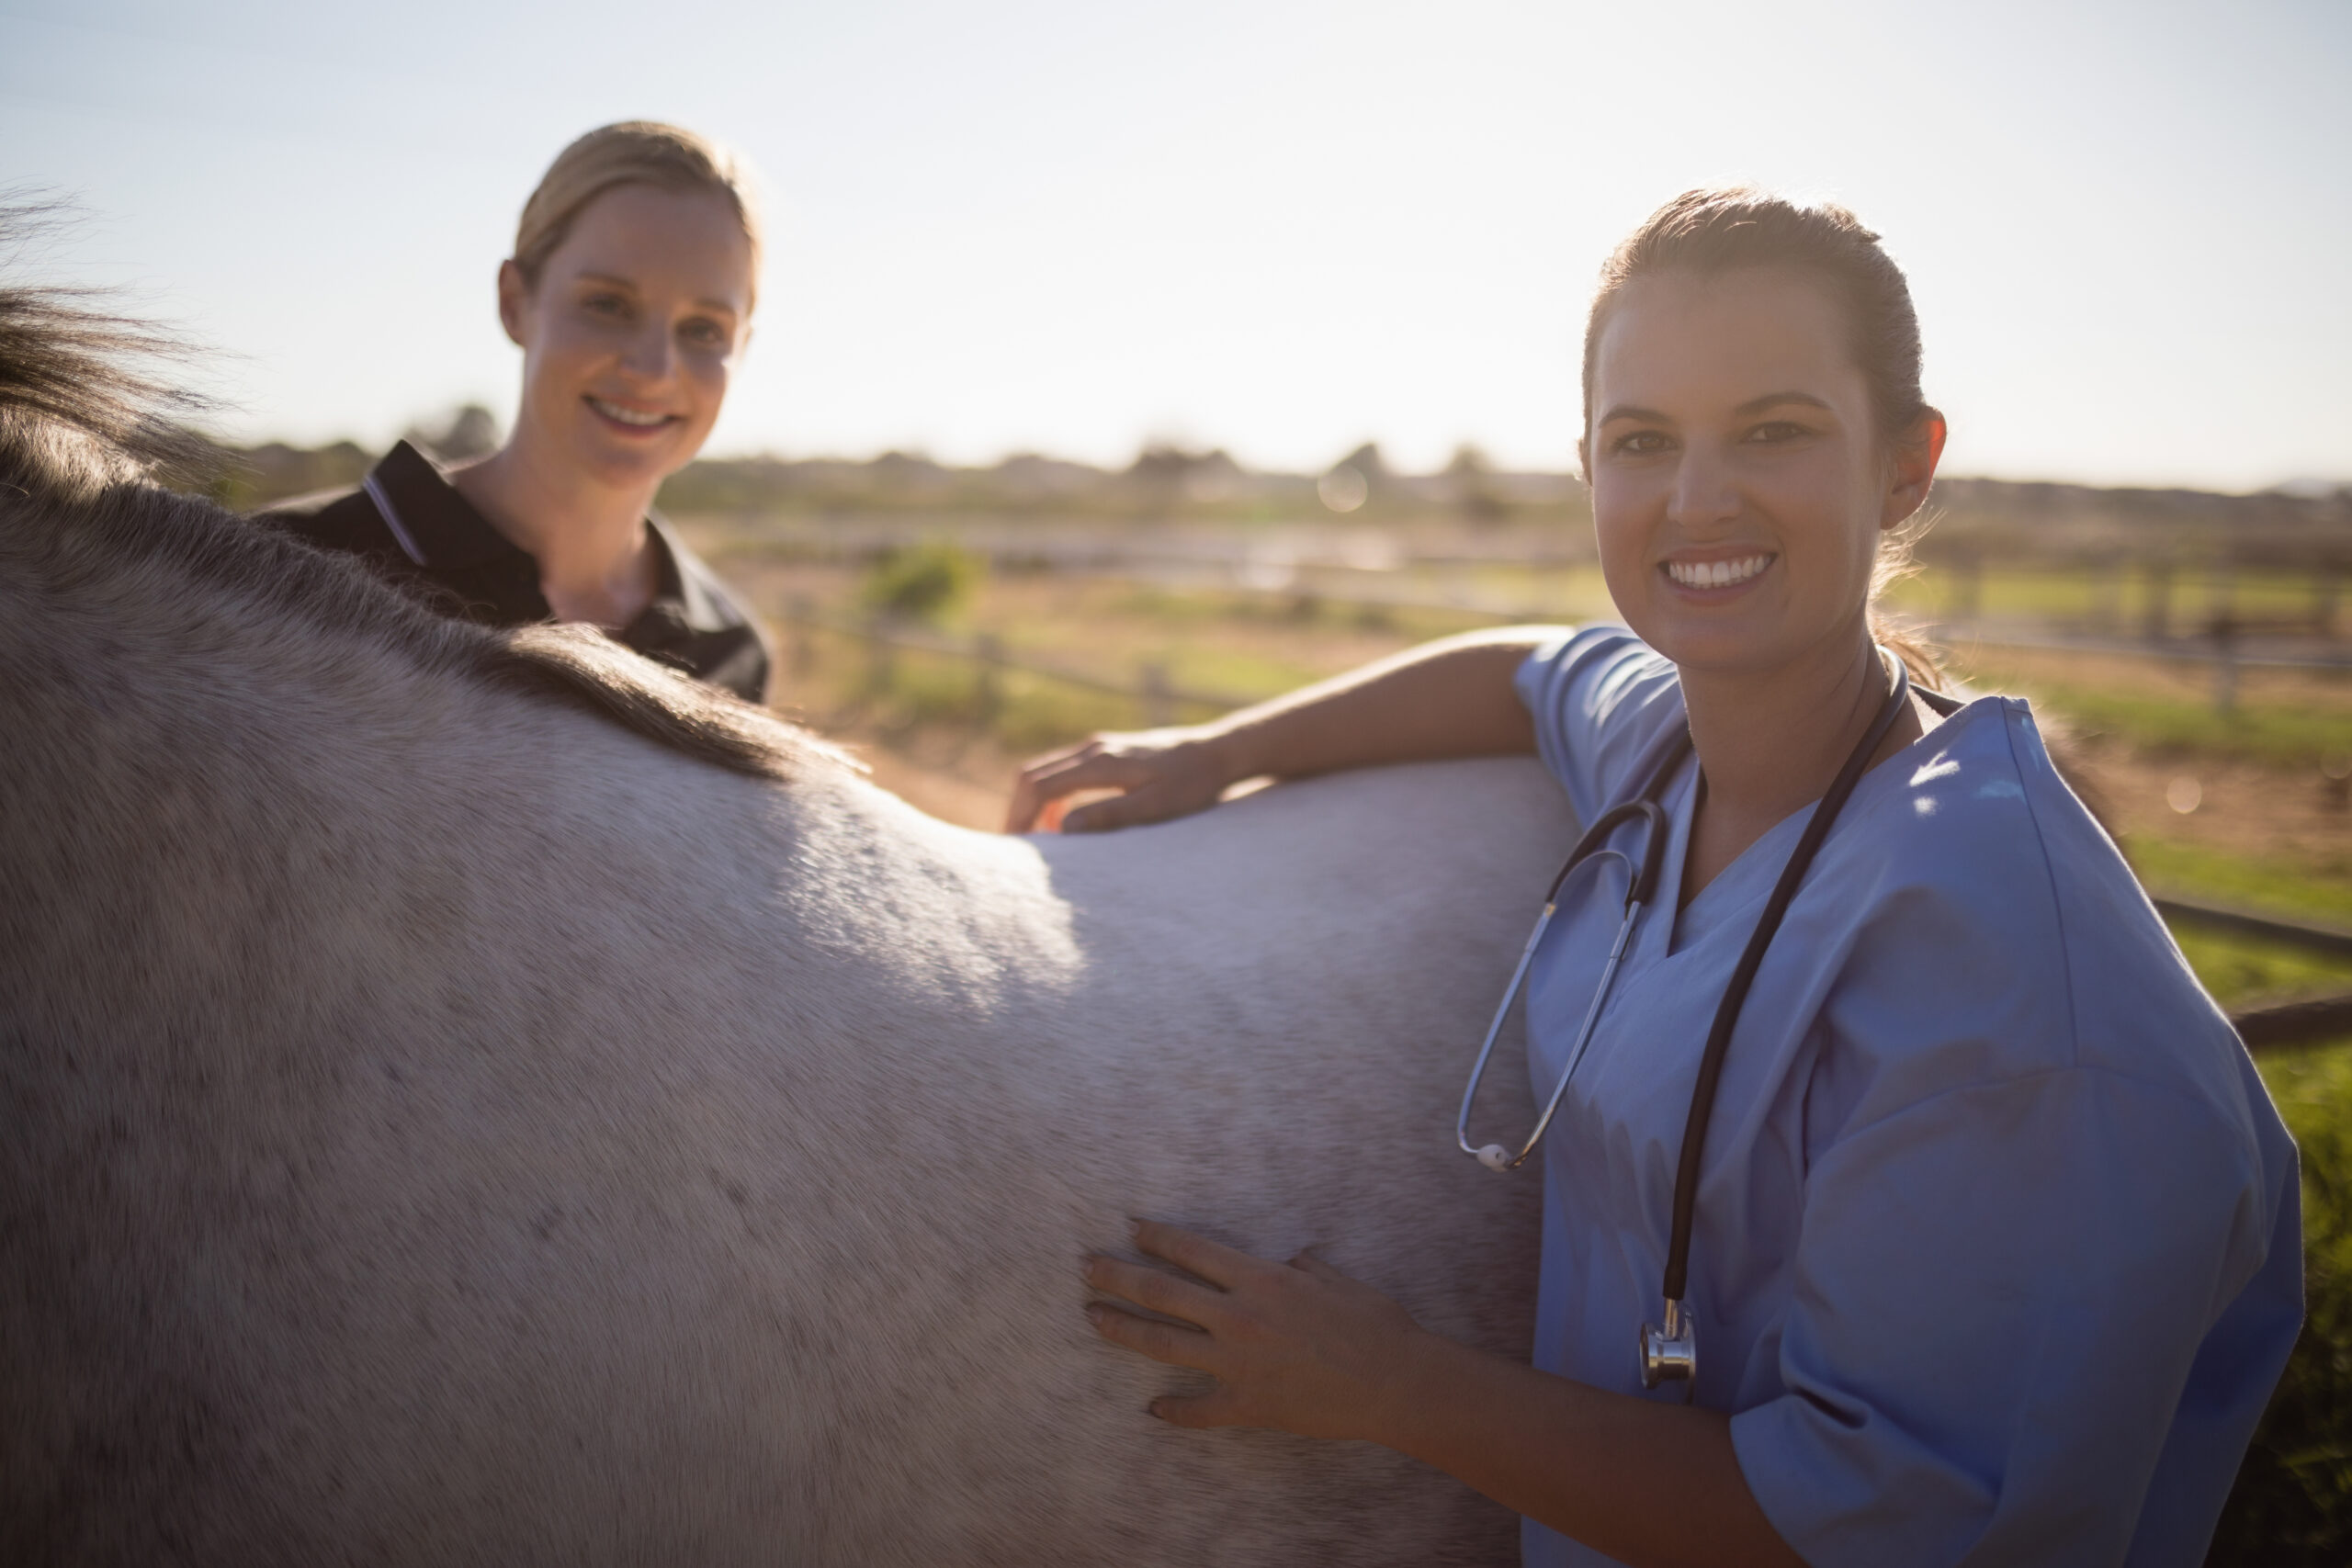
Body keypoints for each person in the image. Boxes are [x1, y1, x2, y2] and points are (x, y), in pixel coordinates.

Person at [1013, 189, 2302, 1566]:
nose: (1697, 500)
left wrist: (1388, 1385)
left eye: (1774, 430)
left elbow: (1874, 1529)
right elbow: (1526, 669)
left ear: (1905, 466)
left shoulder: (2014, 987)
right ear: (1589, 467)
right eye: (1643, 441)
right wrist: (1222, 750)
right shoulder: (1670, 737)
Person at [266, 121, 772, 703]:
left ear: (742, 349)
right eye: (608, 304)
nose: (654, 368)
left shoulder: (731, 655)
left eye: (705, 329)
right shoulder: (290, 573)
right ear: (514, 302)